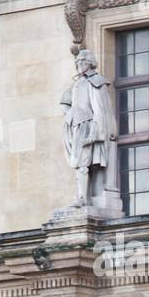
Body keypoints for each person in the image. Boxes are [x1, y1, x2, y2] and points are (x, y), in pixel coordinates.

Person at [60, 50, 115, 207]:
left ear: (90, 63)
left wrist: (95, 132)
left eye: (82, 62)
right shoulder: (77, 83)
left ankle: (83, 197)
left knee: (82, 163)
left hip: (88, 125)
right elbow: (65, 101)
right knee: (78, 162)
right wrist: (70, 115)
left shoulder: (96, 81)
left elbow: (101, 109)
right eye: (77, 63)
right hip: (76, 126)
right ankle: (82, 196)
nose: (79, 65)